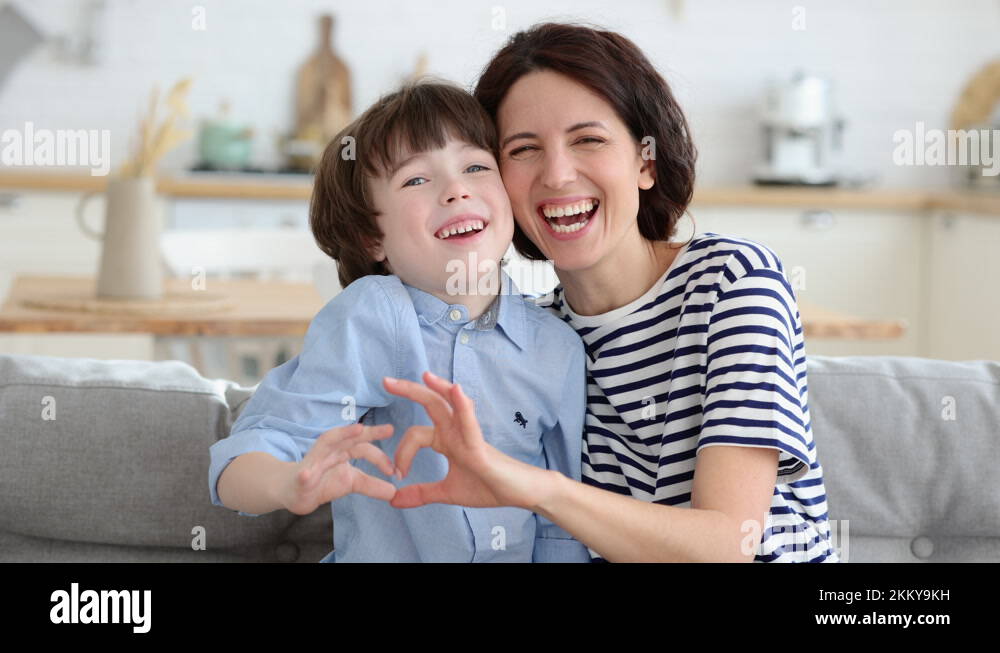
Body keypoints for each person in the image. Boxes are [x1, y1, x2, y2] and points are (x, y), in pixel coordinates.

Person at [382, 23, 840, 562]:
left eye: (588, 140)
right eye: (524, 150)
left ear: (644, 161)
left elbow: (724, 546)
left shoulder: (732, 283)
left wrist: (530, 486)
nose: (556, 174)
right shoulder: (535, 343)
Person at [208, 80, 590, 563]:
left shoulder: (557, 347)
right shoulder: (373, 315)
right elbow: (249, 454)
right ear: (373, 238)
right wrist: (290, 481)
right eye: (415, 179)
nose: (456, 190)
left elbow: (561, 525)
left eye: (476, 166)